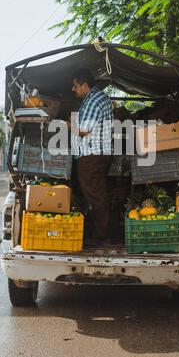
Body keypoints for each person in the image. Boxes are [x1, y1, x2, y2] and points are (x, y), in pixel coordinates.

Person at [69, 69, 113, 246]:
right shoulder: (95, 99)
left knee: (96, 196)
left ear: (85, 85)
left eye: (75, 86)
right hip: (96, 154)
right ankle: (100, 232)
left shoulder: (94, 100)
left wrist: (66, 124)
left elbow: (84, 130)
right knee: (97, 194)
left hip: (92, 156)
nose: (73, 89)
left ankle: (101, 236)